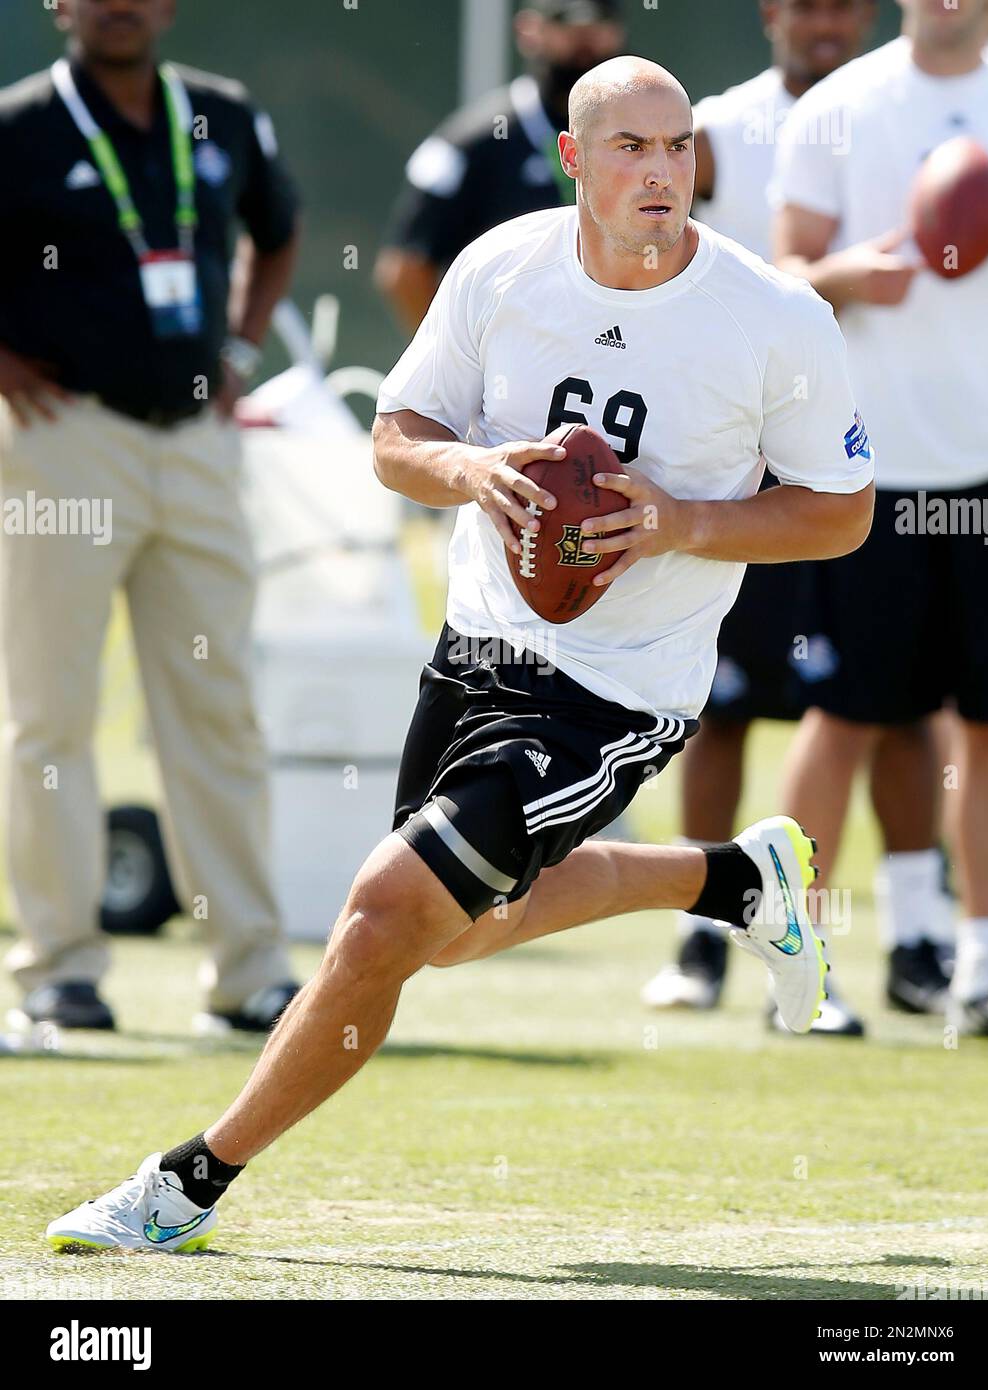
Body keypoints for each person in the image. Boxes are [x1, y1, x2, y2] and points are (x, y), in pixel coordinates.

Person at [45, 56, 874, 1252]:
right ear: (574, 163)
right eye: (629, 148)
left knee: (384, 917)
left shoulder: (771, 316)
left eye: (677, 145)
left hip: (614, 686)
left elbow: (837, 508)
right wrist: (470, 471)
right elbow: (397, 434)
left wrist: (679, 521)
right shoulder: (500, 266)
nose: (660, 171)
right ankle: (734, 878)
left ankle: (184, 1182)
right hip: (476, 648)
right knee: (459, 926)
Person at [0, 0, 301, 1034]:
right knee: (50, 715)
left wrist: (243, 351)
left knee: (218, 707)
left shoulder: (218, 113)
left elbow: (282, 227)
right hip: (65, 436)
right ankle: (58, 971)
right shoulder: (20, 125)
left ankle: (249, 971)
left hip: (197, 439)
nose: (119, 5)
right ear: (60, 6)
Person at [643, 0, 885, 1036]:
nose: (824, 22)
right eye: (804, 3)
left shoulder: (890, 113)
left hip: (864, 456)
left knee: (879, 703)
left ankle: (894, 941)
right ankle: (703, 932)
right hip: (735, 462)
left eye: (842, 3)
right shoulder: (716, 125)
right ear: (768, 14)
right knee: (719, 705)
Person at [771, 0, 988, 1037]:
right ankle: (801, 970)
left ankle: (982, 971)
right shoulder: (836, 107)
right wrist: (839, 278)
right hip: (870, 469)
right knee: (844, 716)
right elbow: (780, 277)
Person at [374, 0, 624, 333]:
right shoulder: (475, 140)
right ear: (527, 30)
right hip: (520, 366)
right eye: (566, 23)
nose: (585, 40)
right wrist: (463, 362)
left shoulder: (654, 132)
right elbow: (405, 269)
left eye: (599, 22)